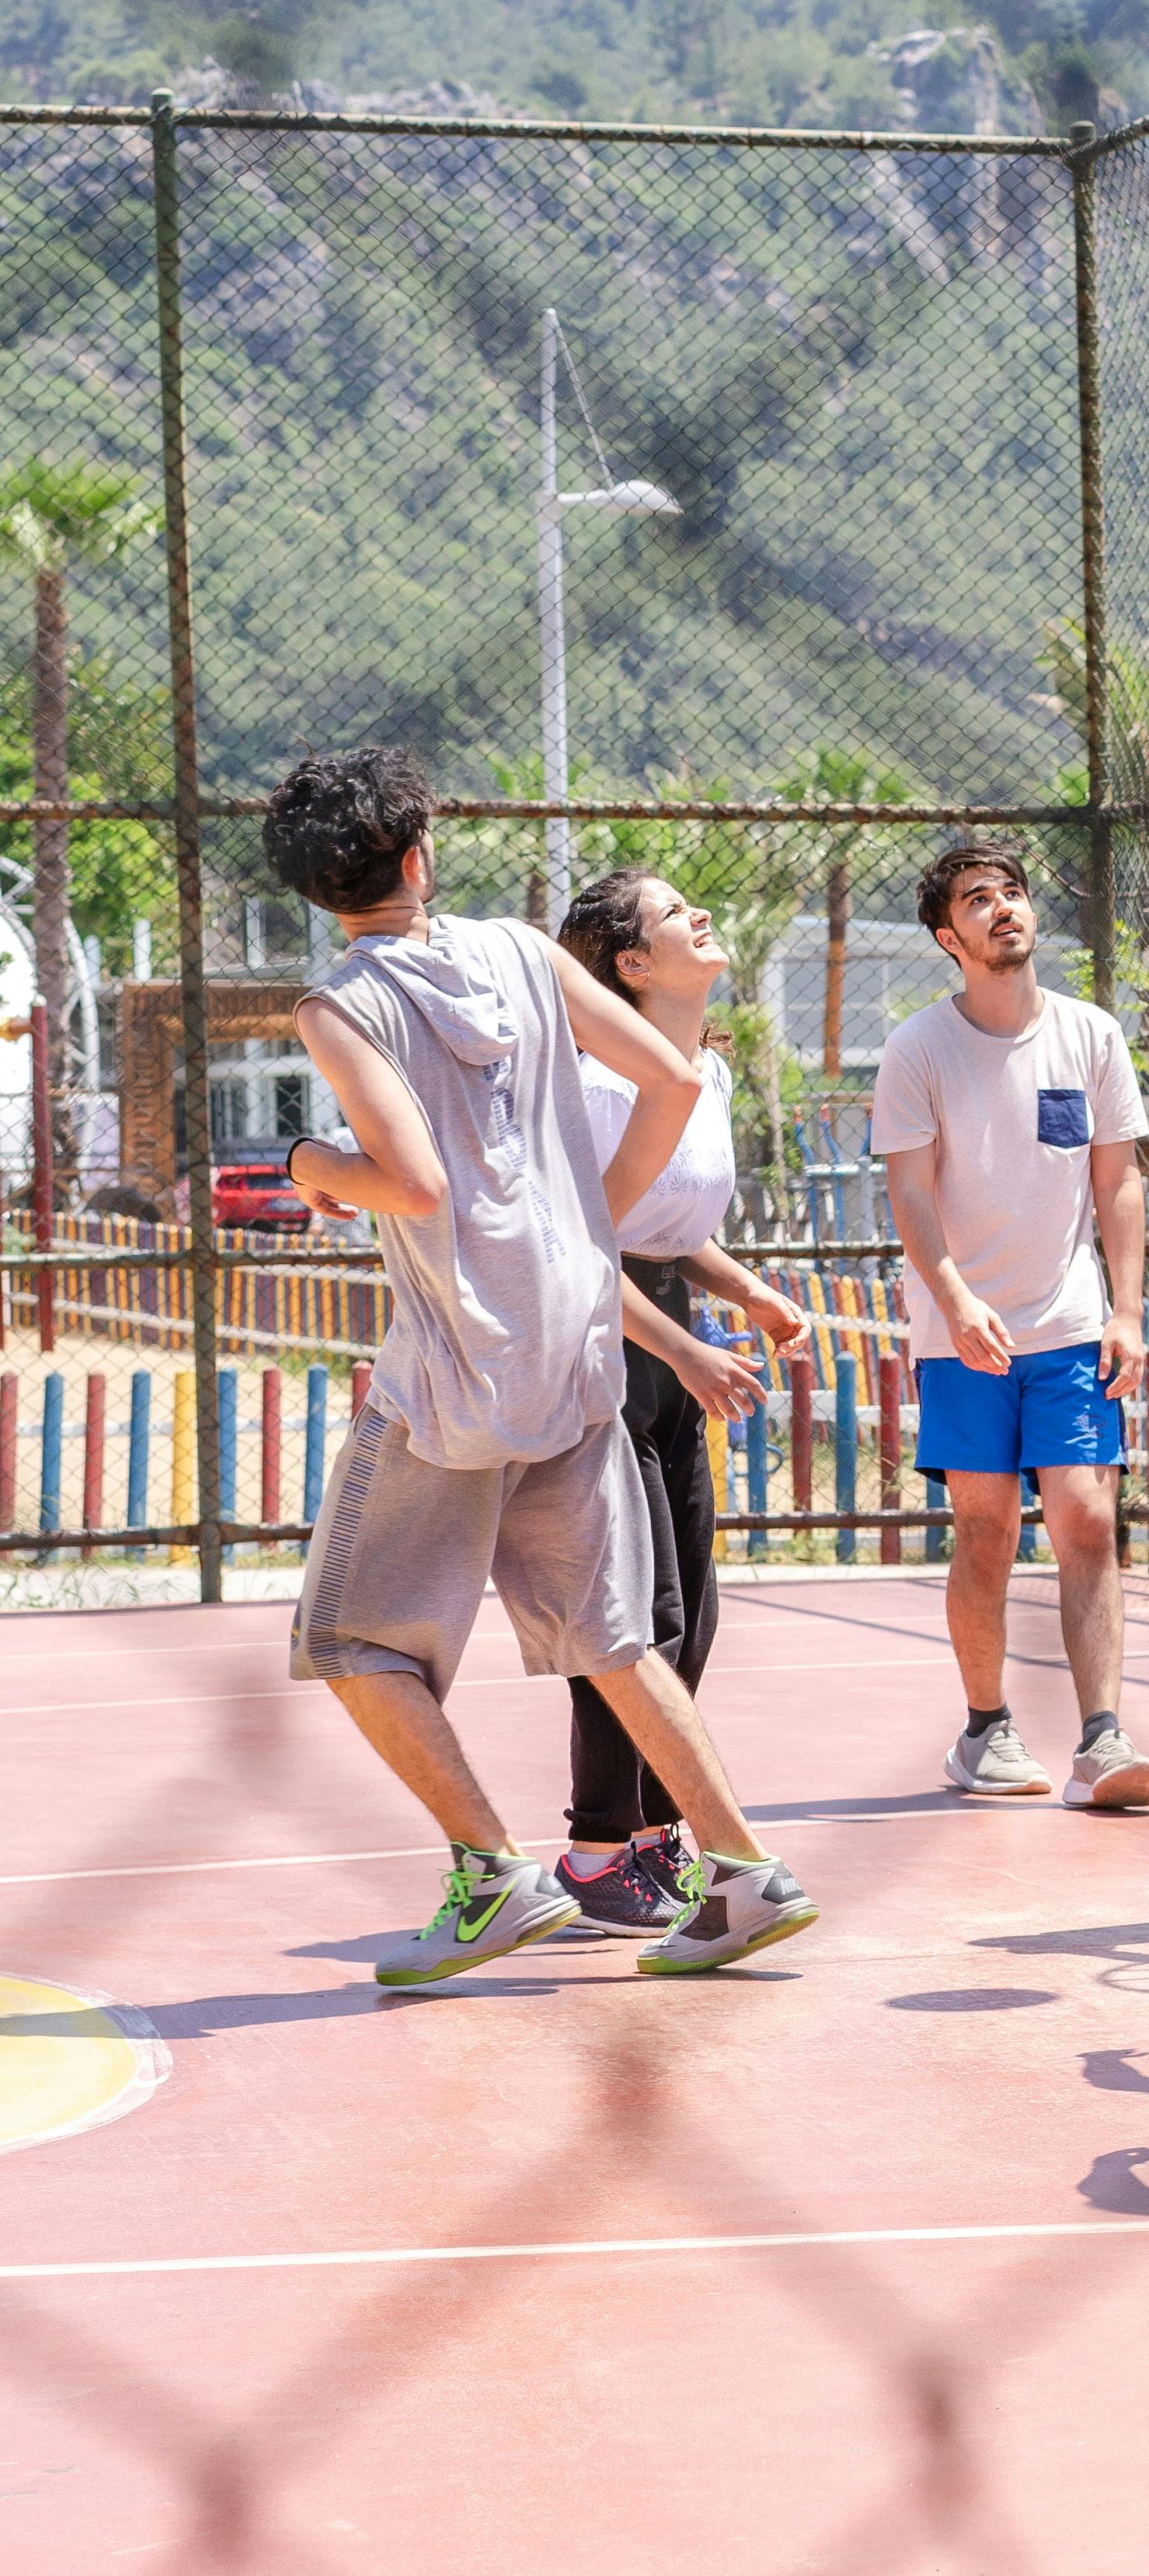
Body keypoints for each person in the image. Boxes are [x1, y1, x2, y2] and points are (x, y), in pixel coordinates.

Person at [269, 744, 817, 1988]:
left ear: (319, 891)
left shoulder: (342, 1003)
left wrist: (310, 1166)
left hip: (457, 1369)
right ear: (418, 857)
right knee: (613, 1635)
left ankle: (493, 1876)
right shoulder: (524, 949)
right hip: (576, 1348)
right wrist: (582, 1228)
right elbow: (675, 1080)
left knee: (350, 1641)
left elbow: (406, 1180)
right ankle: (740, 1872)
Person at [870, 835, 1149, 1811]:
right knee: (986, 1527)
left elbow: (1117, 1181)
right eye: (978, 899)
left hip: (1072, 1323)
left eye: (1013, 892)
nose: (1003, 909)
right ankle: (985, 1729)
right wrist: (954, 1301)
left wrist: (1127, 1310)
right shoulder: (920, 1048)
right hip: (963, 1334)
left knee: (1086, 1516)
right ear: (947, 936)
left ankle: (1104, 1738)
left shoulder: (1090, 1035)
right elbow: (909, 1193)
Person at [552, 866, 816, 1933]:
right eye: (674, 914)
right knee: (631, 1621)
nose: (701, 915)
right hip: (608, 1349)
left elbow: (661, 1228)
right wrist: (685, 1350)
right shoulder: (608, 1086)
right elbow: (582, 1245)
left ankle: (657, 1837)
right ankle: (594, 1851)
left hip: (663, 1342)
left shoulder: (694, 1072)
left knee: (691, 1617)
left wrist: (742, 1289)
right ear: (632, 965)